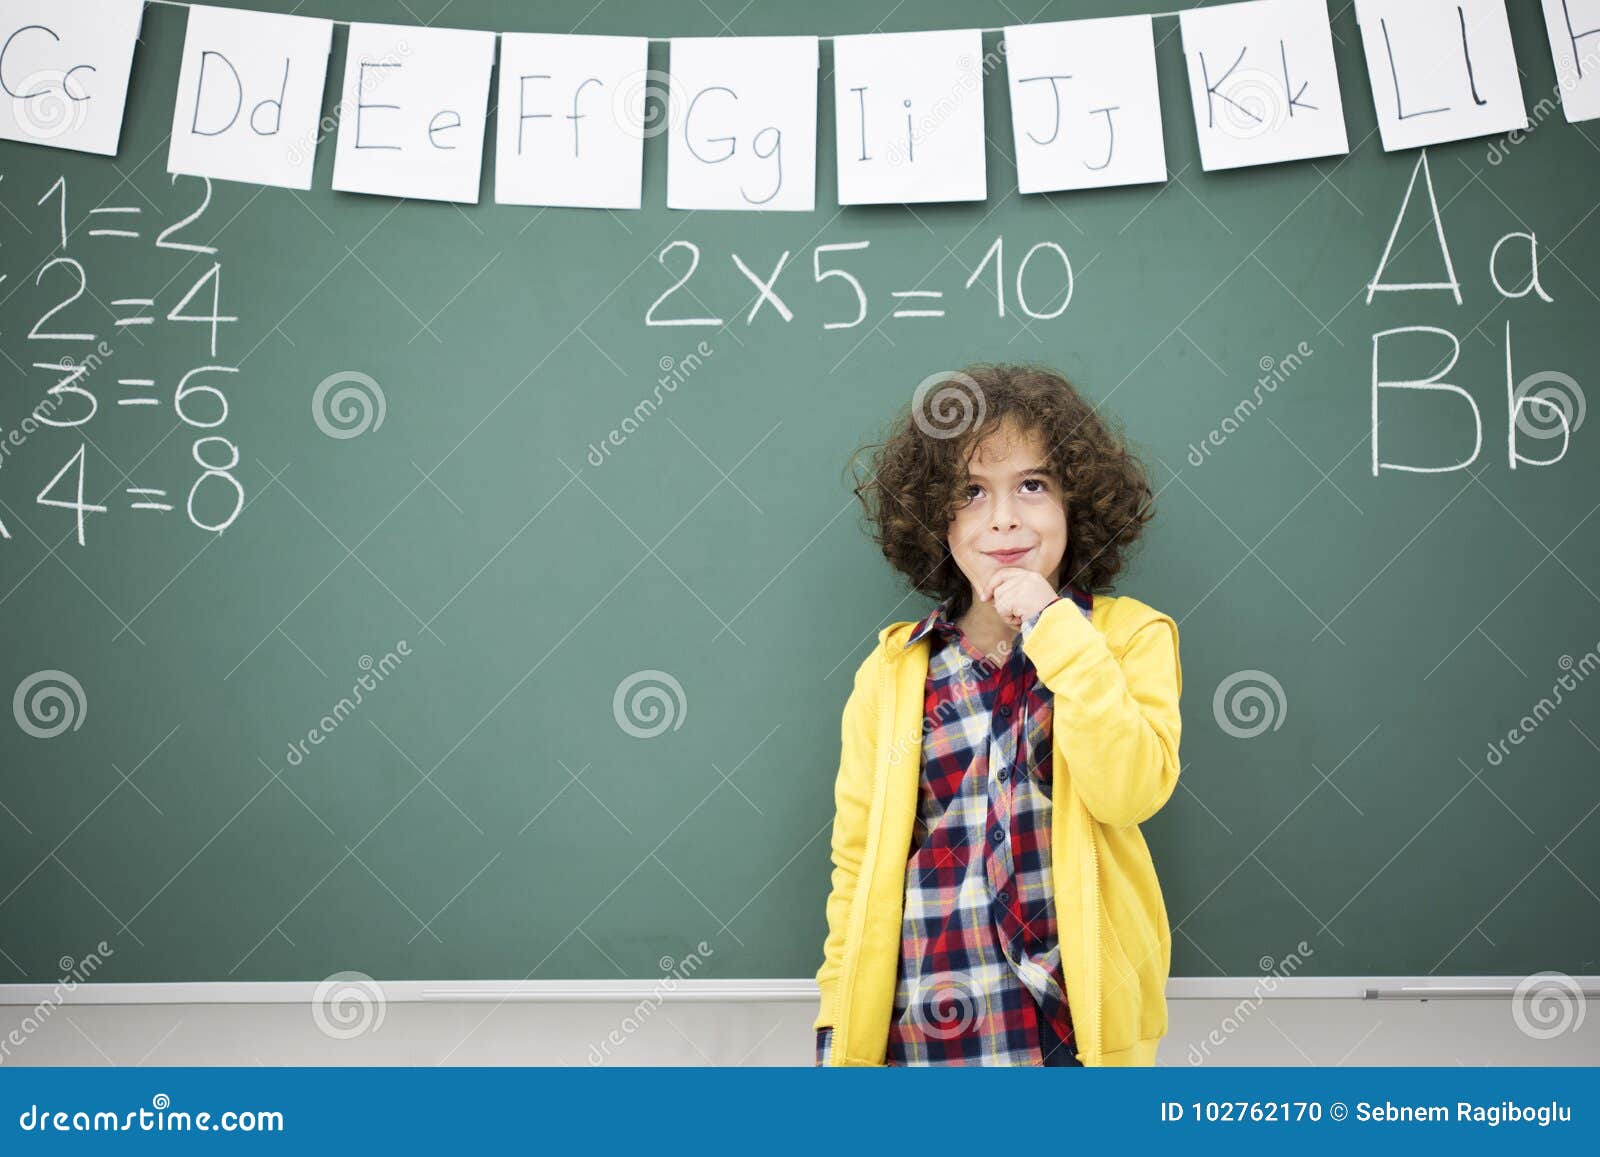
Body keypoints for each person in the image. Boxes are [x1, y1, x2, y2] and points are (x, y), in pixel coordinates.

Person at [813, 363, 1183, 1066]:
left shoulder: (1126, 639)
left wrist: (1054, 627)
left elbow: (1130, 789)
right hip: (916, 1032)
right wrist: (838, 1015)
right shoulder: (895, 671)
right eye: (971, 492)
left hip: (1068, 1034)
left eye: (1033, 486)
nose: (1005, 517)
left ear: (1078, 502)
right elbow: (854, 864)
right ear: (935, 516)